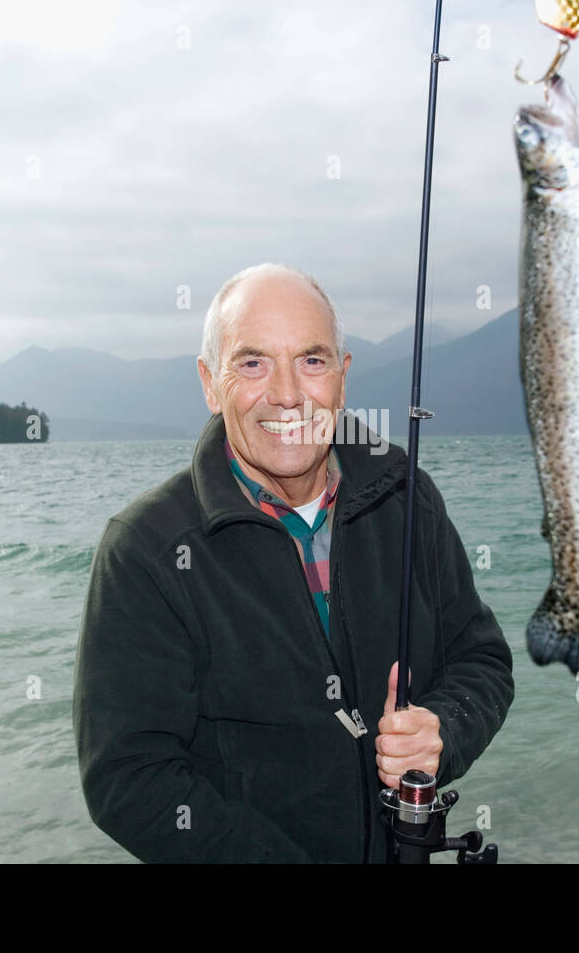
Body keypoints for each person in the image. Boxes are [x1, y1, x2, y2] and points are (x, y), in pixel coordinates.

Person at [72, 262, 514, 862]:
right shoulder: (144, 549)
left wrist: (442, 732)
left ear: (343, 374)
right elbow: (128, 778)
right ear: (209, 381)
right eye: (253, 362)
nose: (287, 393)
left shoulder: (408, 497)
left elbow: (480, 657)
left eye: (311, 360)